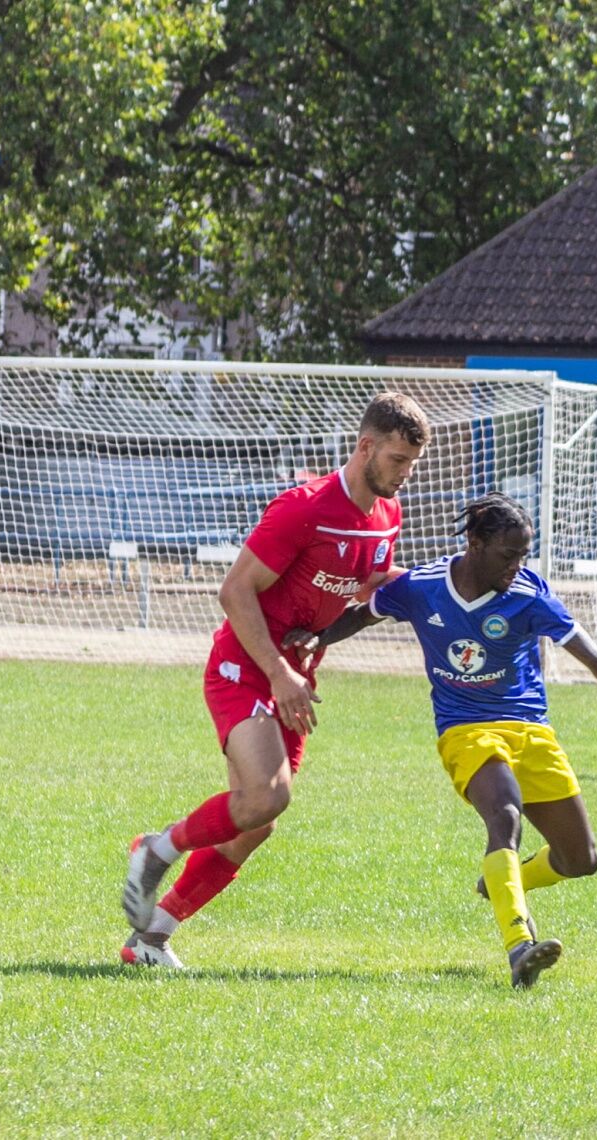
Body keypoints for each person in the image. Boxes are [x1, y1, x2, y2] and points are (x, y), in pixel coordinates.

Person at [302, 494, 597, 988]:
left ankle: (502, 879)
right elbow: (362, 614)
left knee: (581, 860)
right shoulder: (422, 587)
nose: (517, 567)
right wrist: (309, 639)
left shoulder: (529, 595)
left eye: (523, 556)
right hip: (465, 729)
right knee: (505, 815)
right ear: (474, 543)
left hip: (531, 729)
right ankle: (520, 946)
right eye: (507, 555)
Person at [118, 392, 430, 968]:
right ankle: (154, 849)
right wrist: (280, 670)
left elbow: (360, 584)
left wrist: (422, 589)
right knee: (269, 795)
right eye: (396, 461)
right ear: (365, 448)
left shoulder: (388, 516)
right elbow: (235, 591)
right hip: (246, 667)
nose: (405, 475)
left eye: (411, 464)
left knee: (255, 823)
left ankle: (151, 938)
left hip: (294, 678)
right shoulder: (302, 507)